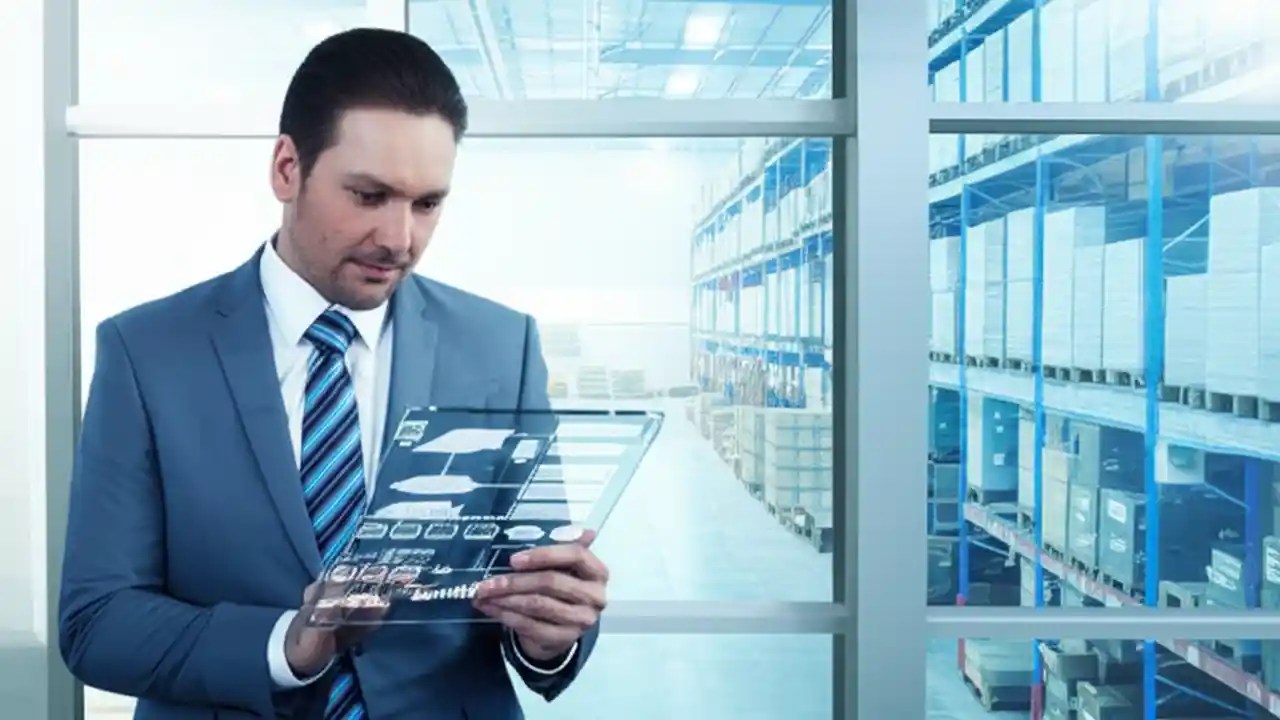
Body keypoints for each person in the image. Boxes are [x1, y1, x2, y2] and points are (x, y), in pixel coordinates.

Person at [57, 27, 608, 720]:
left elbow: (538, 582)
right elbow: (98, 622)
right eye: (369, 195)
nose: (400, 239)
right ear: (287, 168)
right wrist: (289, 644)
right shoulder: (148, 353)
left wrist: (550, 637)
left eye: (427, 204)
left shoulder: (502, 347)